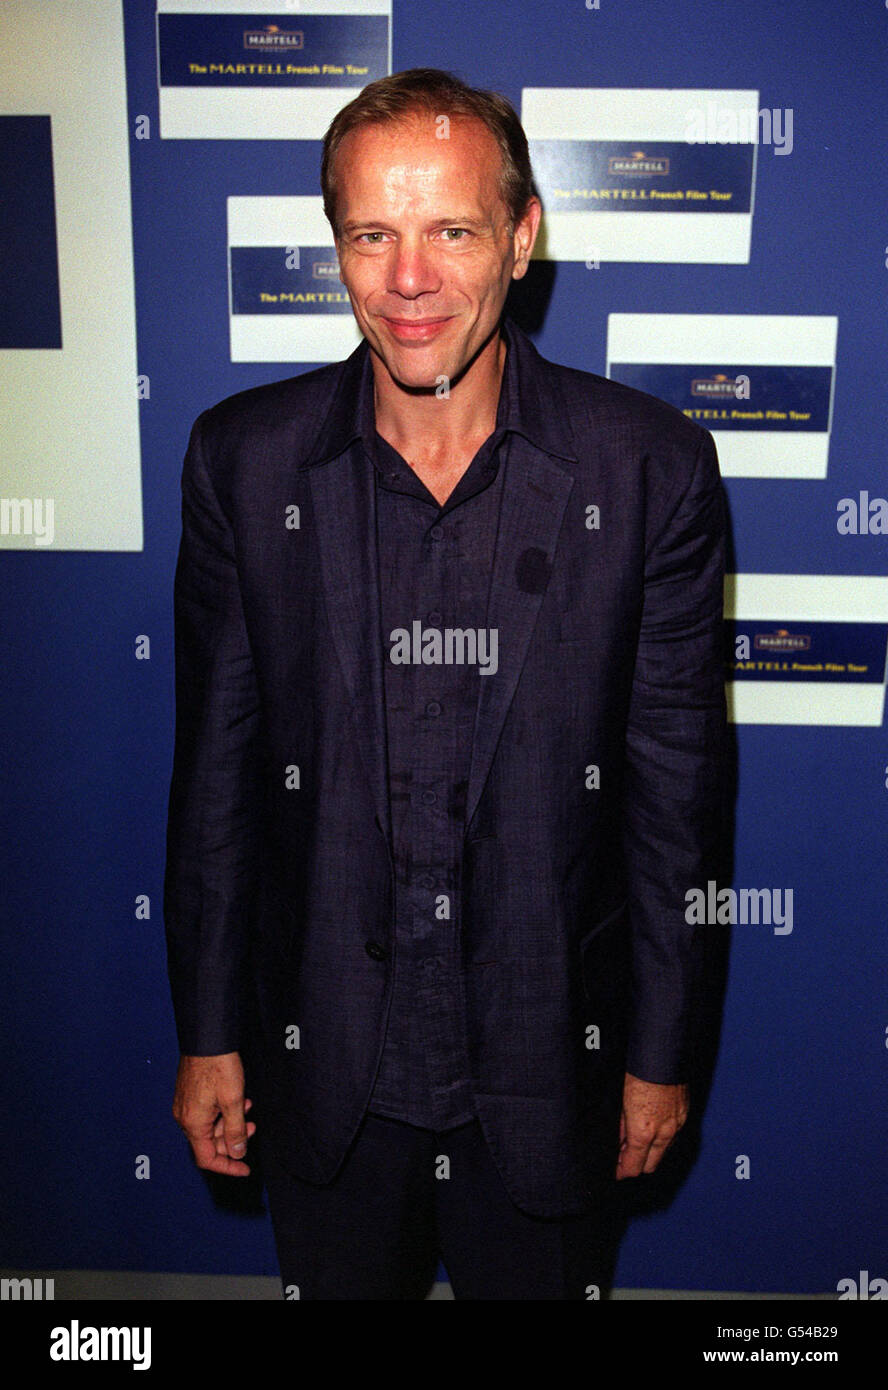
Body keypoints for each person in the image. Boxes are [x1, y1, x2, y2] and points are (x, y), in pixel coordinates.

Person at [164, 67, 727, 1300]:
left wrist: (658, 1052)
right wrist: (208, 1035)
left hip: (547, 1074)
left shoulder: (651, 474)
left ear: (522, 237)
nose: (408, 279)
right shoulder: (242, 464)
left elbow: (675, 807)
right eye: (372, 233)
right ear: (338, 247)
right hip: (324, 1079)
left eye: (452, 231)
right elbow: (214, 779)